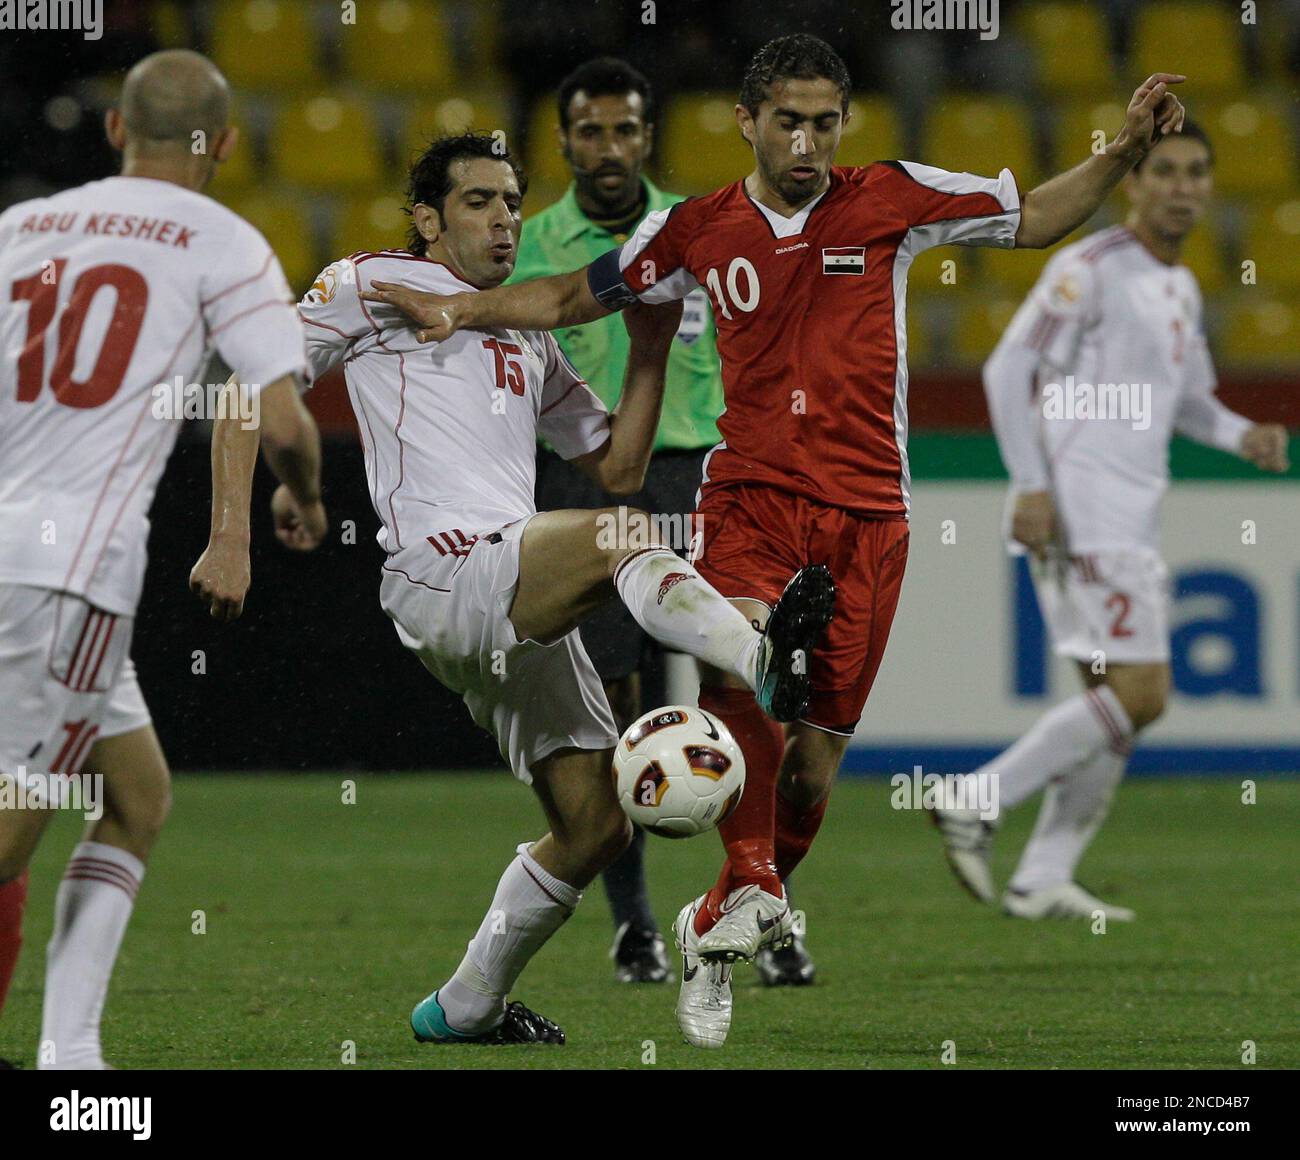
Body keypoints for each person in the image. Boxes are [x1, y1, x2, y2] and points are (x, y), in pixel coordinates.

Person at [356, 35, 1187, 1049]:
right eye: (786, 121)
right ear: (747, 122)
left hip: (868, 516)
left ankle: (721, 918)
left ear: (843, 124)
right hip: (748, 497)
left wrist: (1120, 151)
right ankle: (748, 764)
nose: (805, 141)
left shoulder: (893, 198)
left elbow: (1034, 218)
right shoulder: (698, 228)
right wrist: (462, 307)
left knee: (809, 773)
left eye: (824, 122)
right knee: (744, 665)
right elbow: (574, 295)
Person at [227, 130, 829, 1046]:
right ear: (427, 219)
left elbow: (619, 464)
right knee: (621, 539)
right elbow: (248, 380)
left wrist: (652, 342)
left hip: (513, 601)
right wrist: (232, 534)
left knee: (595, 829)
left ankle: (464, 1007)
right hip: (442, 571)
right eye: (478, 201)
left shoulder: (523, 335)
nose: (505, 218)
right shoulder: (370, 283)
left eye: (512, 201)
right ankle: (758, 656)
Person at [0, 49, 323, 1070]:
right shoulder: (224, 241)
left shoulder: (18, 228)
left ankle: (70, 1056)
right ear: (224, 145)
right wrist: (305, 496)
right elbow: (282, 415)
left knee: (135, 796)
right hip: (68, 570)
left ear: (112, 132)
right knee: (17, 817)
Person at [931, 123, 1289, 921]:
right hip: (1082, 511)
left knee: (1109, 701)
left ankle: (1041, 875)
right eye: (1164, 170)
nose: (1182, 186)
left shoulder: (1180, 286)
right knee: (1144, 692)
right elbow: (1006, 366)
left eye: (1197, 172)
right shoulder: (1088, 269)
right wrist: (1029, 484)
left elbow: (1190, 401)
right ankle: (975, 797)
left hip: (1125, 512)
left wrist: (1243, 435)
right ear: (1134, 182)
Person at [511, 56, 815, 987]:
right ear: (563, 140)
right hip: (590, 491)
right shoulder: (528, 251)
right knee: (618, 710)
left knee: (752, 687)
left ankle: (761, 906)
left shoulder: (702, 226)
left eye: (626, 129)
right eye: (590, 131)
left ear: (650, 137)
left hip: (714, 477)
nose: (609, 148)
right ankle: (636, 925)